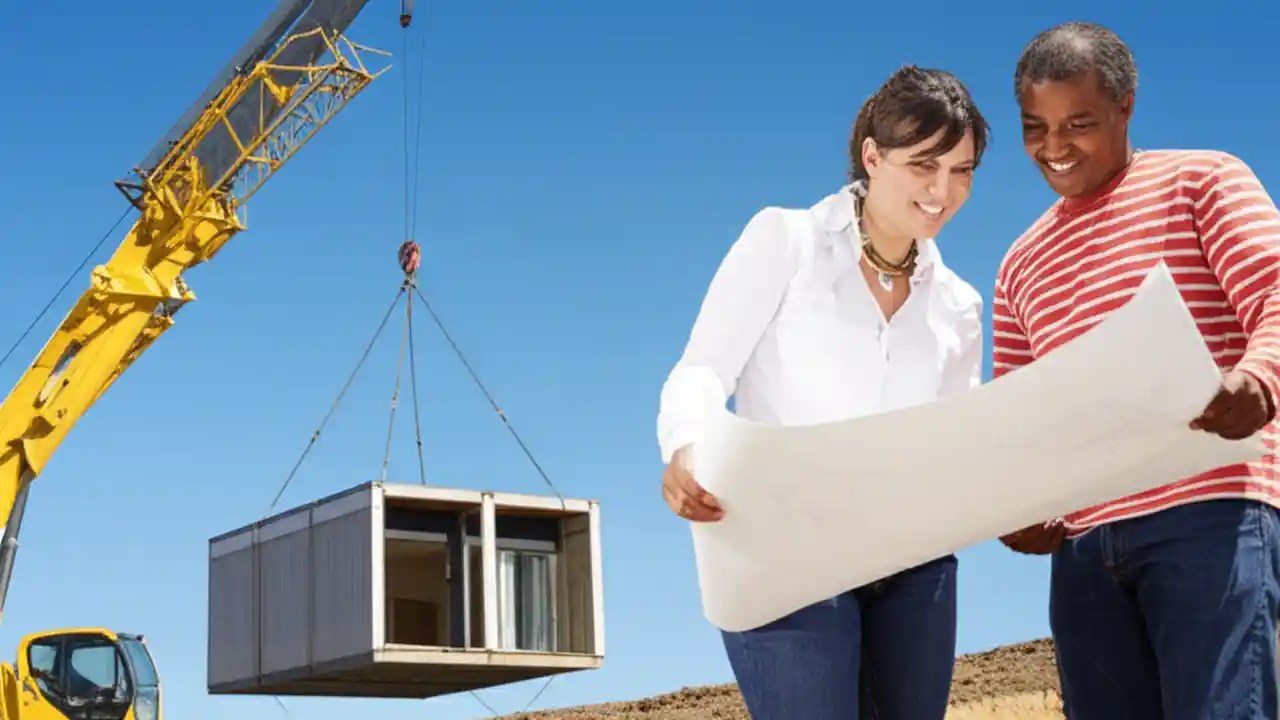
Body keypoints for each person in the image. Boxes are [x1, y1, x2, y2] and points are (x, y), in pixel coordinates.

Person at [655, 65, 989, 720]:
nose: (942, 190)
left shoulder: (959, 306)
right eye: (924, 165)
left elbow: (953, 445)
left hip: (913, 564)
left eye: (962, 170)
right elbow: (703, 368)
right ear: (873, 156)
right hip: (785, 549)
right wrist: (688, 444)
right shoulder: (785, 241)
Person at [993, 21, 1280, 720]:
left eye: (1079, 123)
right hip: (1084, 552)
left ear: (1125, 106)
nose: (1055, 147)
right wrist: (1018, 506)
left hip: (1209, 514)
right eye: (1035, 128)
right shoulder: (1018, 264)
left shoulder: (1202, 180)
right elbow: (1015, 415)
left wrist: (1261, 377)